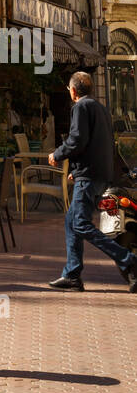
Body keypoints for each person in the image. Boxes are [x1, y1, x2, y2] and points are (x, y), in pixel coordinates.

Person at [48, 71, 137, 293]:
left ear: (73, 90)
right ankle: (72, 275)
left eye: (69, 89)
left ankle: (128, 259)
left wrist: (57, 155)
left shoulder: (80, 107)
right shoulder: (101, 108)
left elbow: (77, 139)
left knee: (79, 223)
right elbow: (98, 143)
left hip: (89, 178)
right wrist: (77, 170)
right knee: (71, 221)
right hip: (98, 175)